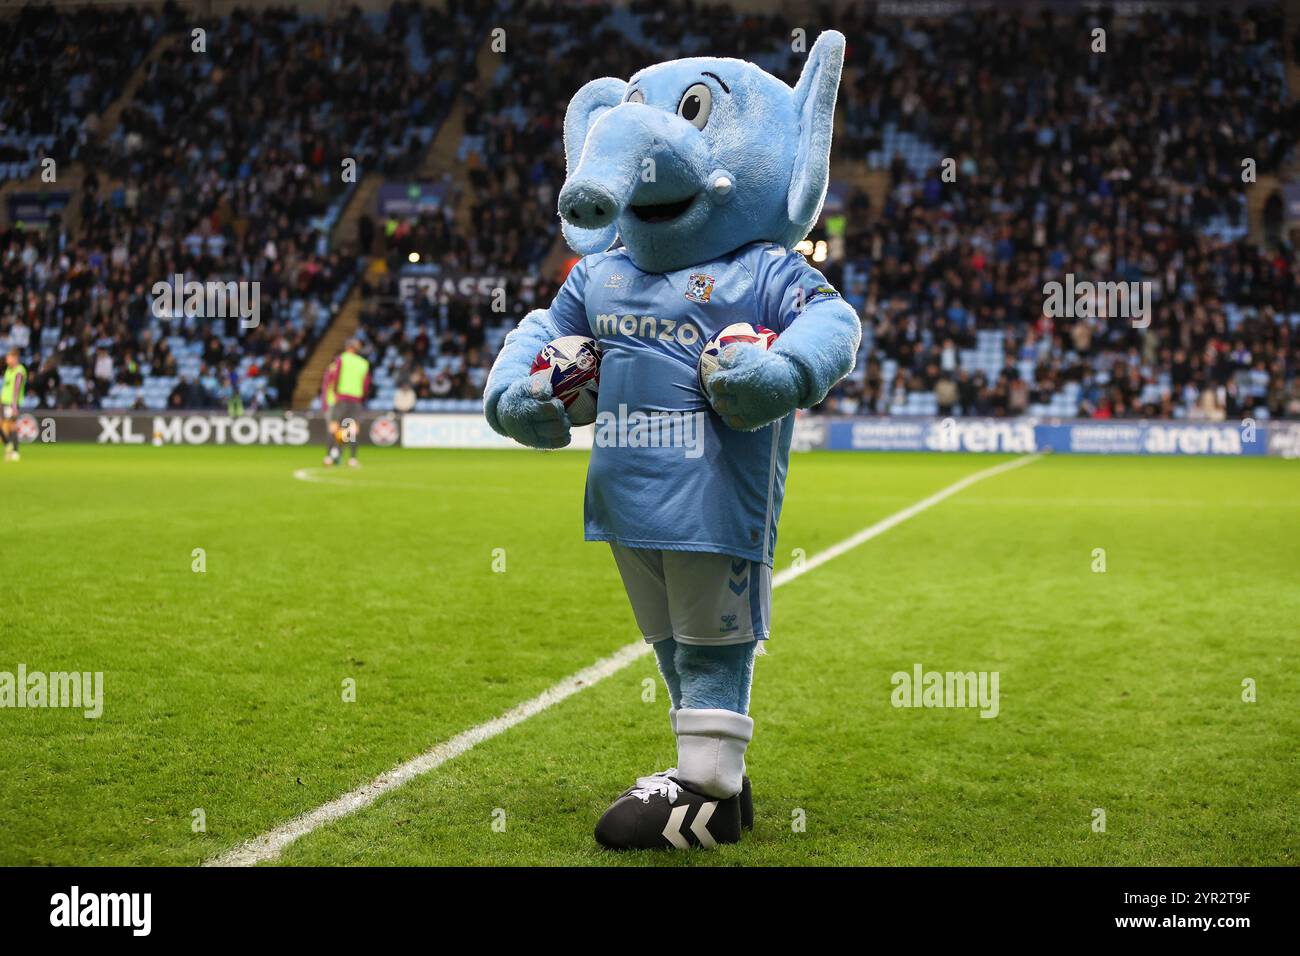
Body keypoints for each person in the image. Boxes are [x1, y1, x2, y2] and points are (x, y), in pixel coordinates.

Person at [320, 339, 371, 468]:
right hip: (356, 399)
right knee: (352, 429)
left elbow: (336, 377)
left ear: (347, 347)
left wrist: (336, 393)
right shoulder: (364, 363)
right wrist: (361, 397)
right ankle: (352, 458)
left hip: (342, 397)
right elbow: (366, 384)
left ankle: (329, 456)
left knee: (334, 427)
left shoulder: (341, 359)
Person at [2, 350, 28, 462]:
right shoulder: (8, 370)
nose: (6, 360)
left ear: (15, 358)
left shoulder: (19, 371)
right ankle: (10, 447)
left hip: (11, 404)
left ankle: (14, 450)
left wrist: (14, 407)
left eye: (8, 358)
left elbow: (16, 390)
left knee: (11, 426)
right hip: (3, 402)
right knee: (9, 426)